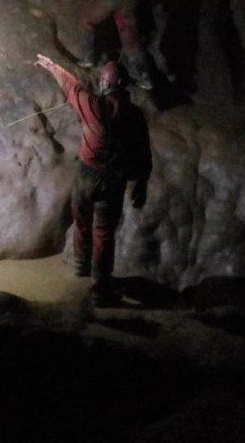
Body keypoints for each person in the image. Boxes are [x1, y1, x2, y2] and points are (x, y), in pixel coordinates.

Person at [35, 54, 151, 305]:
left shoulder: (95, 107)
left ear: (104, 84)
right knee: (104, 233)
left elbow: (71, 86)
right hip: (113, 181)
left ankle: (80, 265)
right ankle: (100, 288)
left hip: (86, 176)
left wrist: (51, 65)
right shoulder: (135, 116)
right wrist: (140, 183)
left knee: (82, 222)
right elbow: (143, 152)